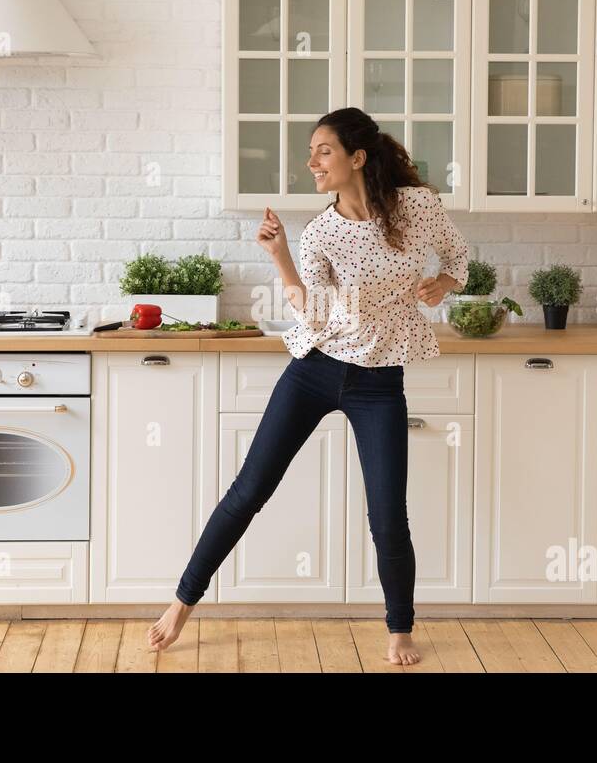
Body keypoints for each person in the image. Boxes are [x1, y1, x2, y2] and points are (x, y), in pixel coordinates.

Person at [147, 107, 470, 666]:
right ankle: (182, 602)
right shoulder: (320, 232)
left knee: (388, 510)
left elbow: (459, 257)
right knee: (250, 491)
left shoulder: (418, 208)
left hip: (378, 380)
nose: (311, 161)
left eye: (323, 151)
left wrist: (442, 282)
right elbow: (314, 316)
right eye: (312, 152)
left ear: (357, 158)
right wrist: (281, 259)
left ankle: (400, 630)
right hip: (315, 368)